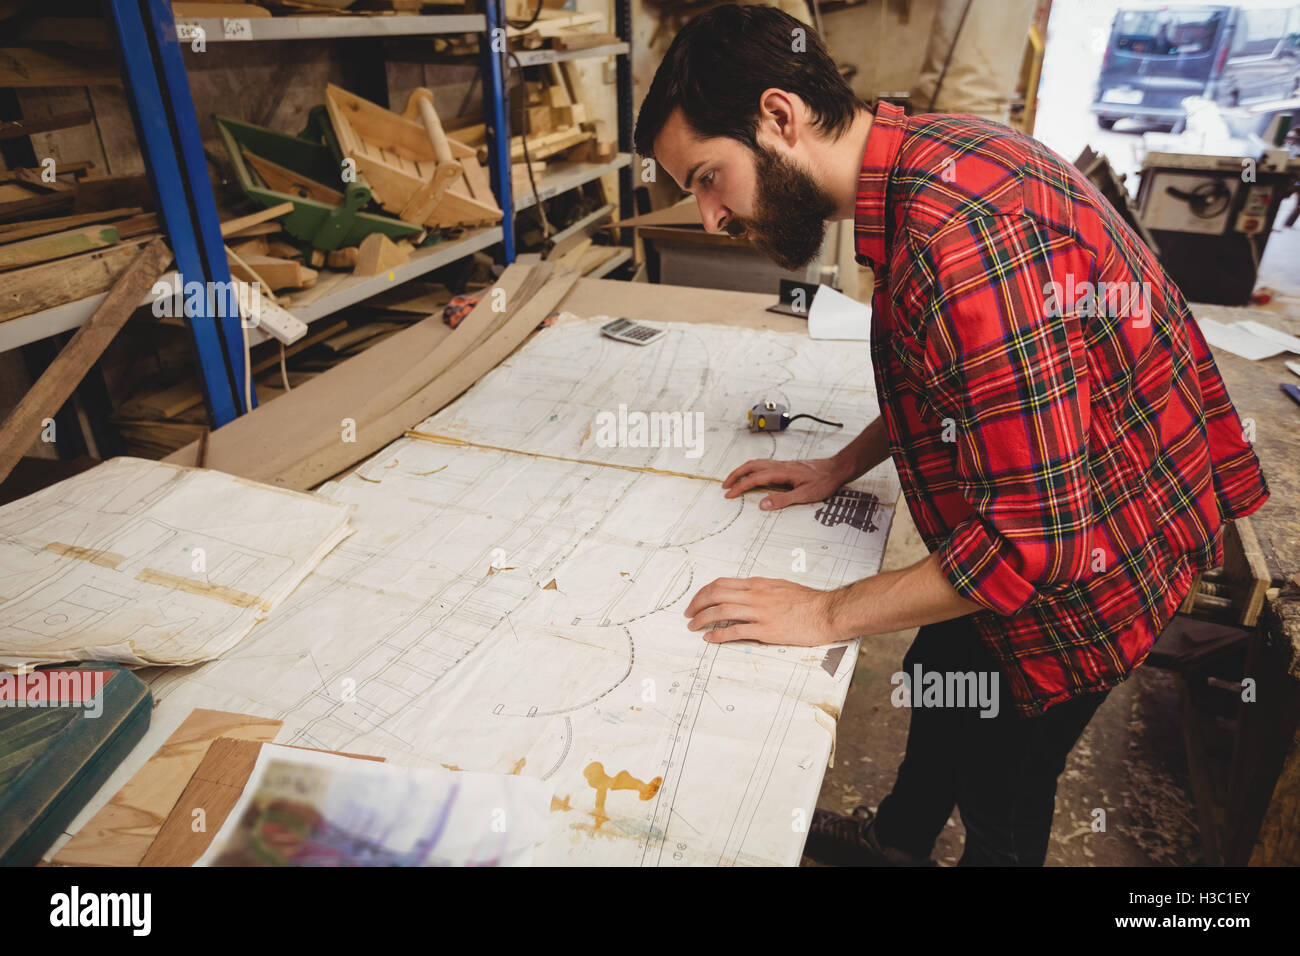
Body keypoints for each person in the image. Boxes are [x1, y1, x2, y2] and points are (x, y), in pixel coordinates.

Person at [633, 4, 1268, 866]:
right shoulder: (923, 158)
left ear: (778, 118)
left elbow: (1028, 547)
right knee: (942, 675)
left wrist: (825, 611)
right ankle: (898, 840)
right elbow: (951, 380)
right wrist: (844, 462)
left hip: (1100, 557)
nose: (708, 215)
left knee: (1001, 782)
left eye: (708, 177)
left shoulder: (960, 239)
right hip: (1082, 492)